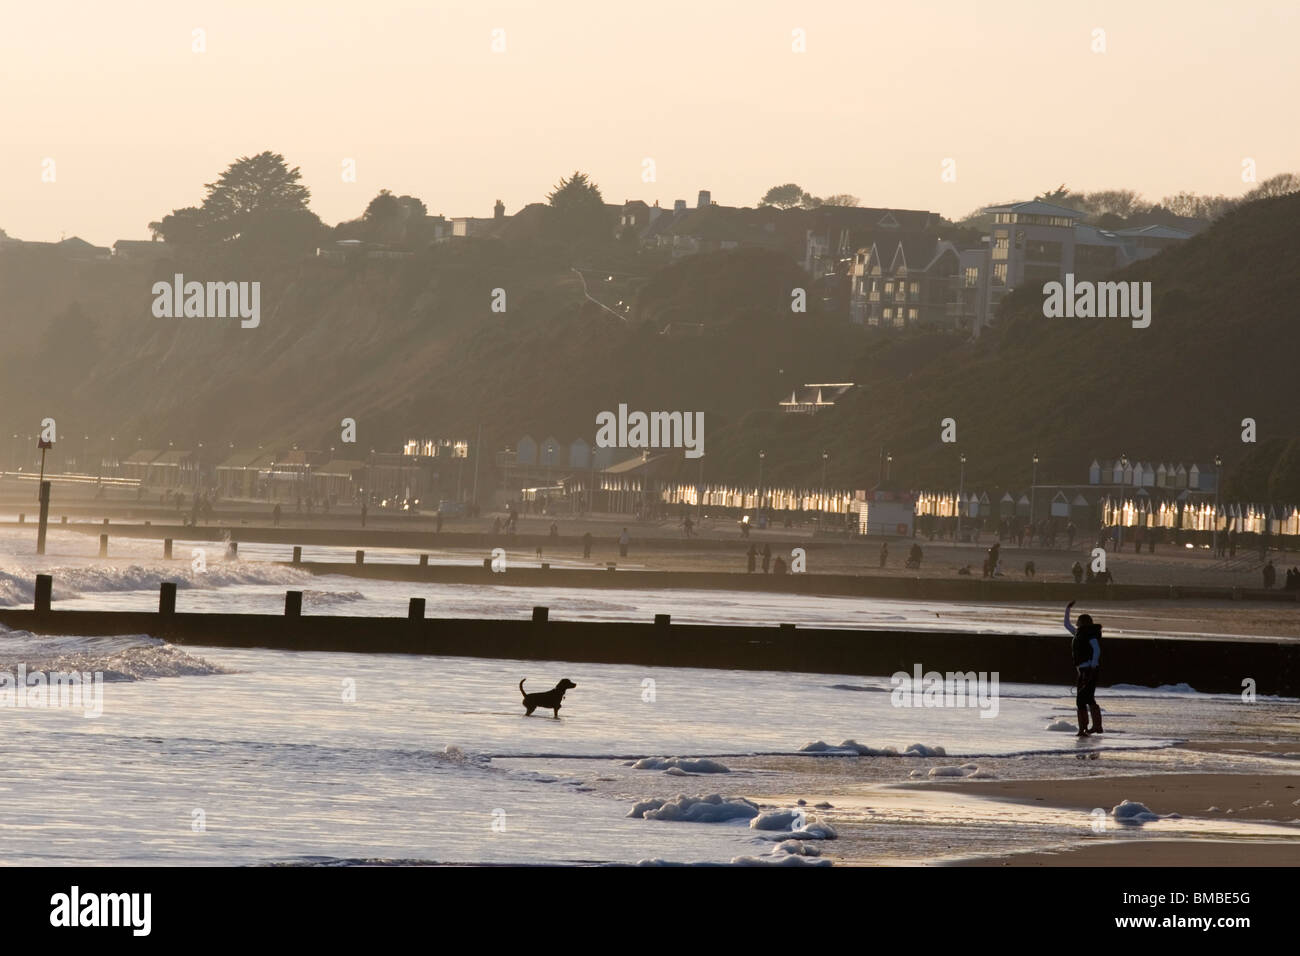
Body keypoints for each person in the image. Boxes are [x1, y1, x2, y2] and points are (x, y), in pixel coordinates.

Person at [1064, 601, 1103, 736]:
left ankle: (1083, 728)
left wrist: (1092, 666)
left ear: (1083, 622)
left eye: (1078, 621)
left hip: (1089, 670)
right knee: (1088, 698)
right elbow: (1066, 625)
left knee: (1081, 700)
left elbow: (1097, 650)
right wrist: (1067, 609)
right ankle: (1095, 727)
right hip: (1083, 670)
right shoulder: (1079, 633)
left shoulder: (1089, 634)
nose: (1076, 623)